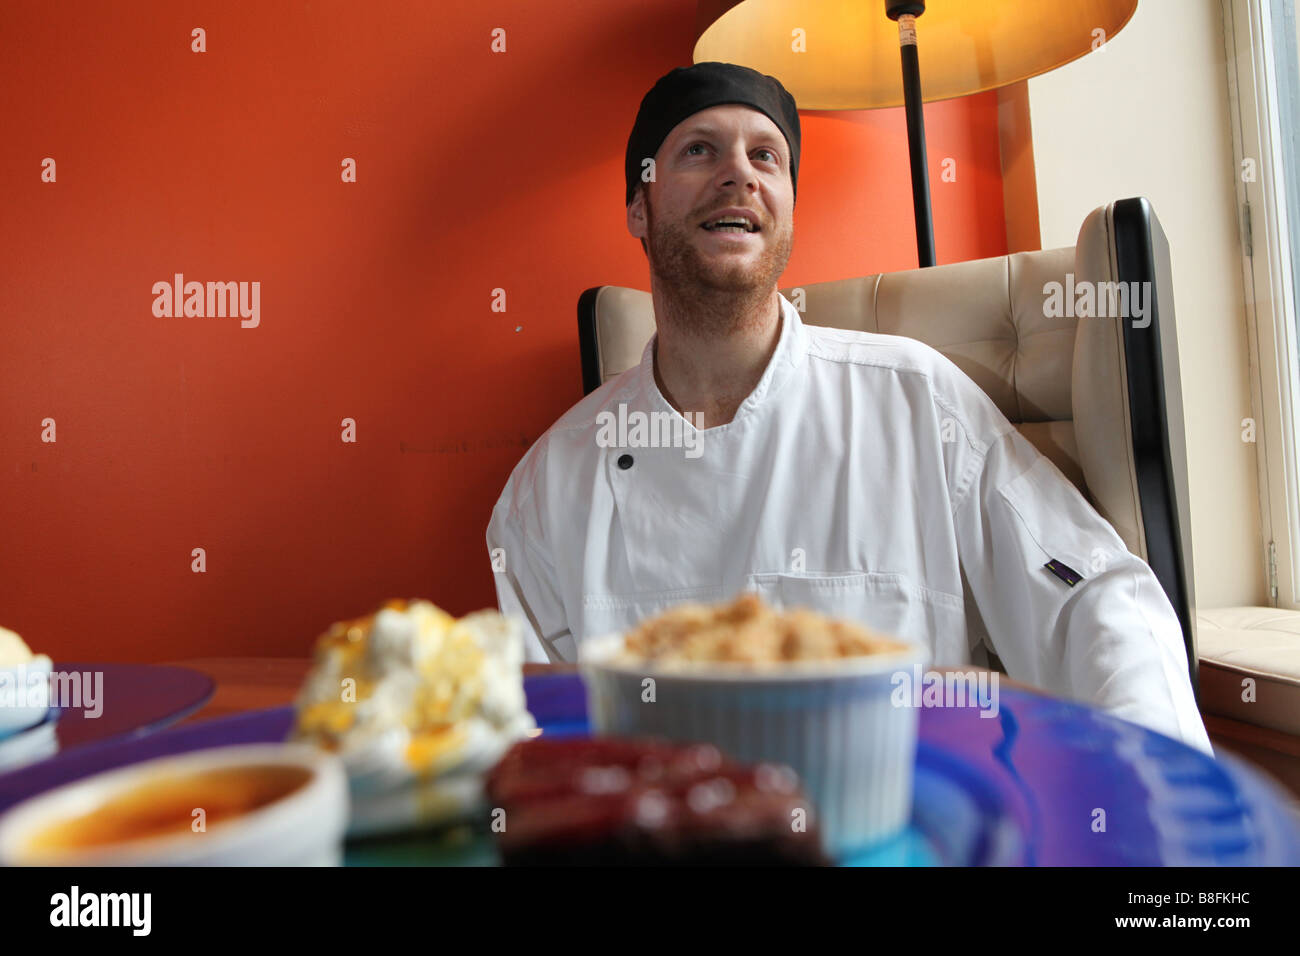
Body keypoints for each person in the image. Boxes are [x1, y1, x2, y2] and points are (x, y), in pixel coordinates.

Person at [486, 61, 1212, 755]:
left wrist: (1162, 799)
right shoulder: (549, 487)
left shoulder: (916, 399)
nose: (738, 172)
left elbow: (1094, 602)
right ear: (639, 206)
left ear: (789, 208)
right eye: (699, 150)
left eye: (766, 156)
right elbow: (524, 727)